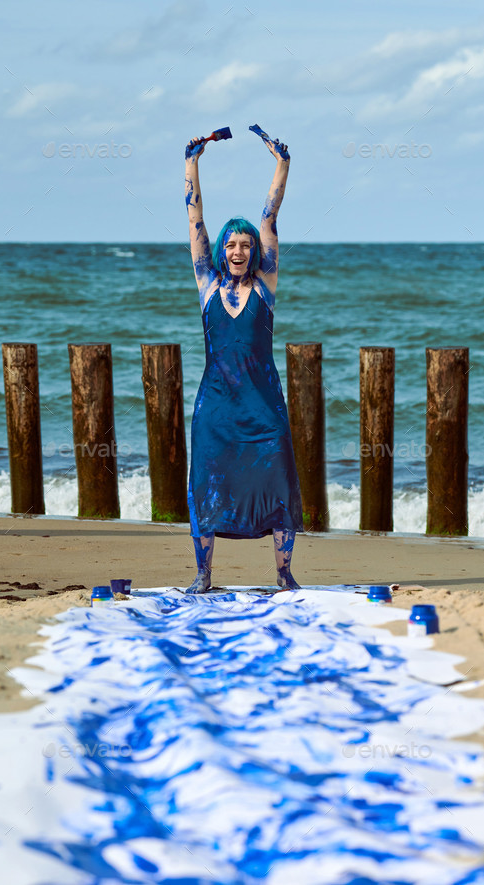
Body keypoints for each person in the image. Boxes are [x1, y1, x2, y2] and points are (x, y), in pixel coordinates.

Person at [184, 125, 303, 594]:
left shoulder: (265, 287)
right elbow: (195, 219)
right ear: (222, 251)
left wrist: (282, 164)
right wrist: (192, 163)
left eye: (245, 244)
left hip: (264, 408)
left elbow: (270, 218)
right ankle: (203, 574)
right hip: (215, 408)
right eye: (231, 244)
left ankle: (284, 573)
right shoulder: (208, 285)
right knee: (206, 485)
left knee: (277, 480)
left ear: (255, 251)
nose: (238, 250)